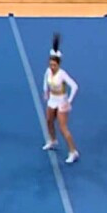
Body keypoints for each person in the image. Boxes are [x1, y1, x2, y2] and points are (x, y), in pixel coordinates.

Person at [42, 35, 80, 164]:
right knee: (48, 121)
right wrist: (45, 91)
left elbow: (75, 86)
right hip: (52, 99)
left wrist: (69, 101)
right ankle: (53, 140)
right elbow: (45, 80)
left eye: (54, 65)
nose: (52, 67)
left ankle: (73, 151)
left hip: (62, 101)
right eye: (50, 64)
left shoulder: (62, 74)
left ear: (59, 64)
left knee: (63, 127)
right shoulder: (48, 71)